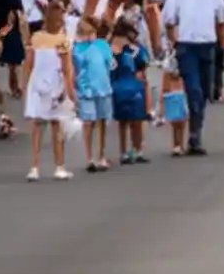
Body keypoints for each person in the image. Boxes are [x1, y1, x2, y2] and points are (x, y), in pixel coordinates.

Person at [161, 0, 224, 155]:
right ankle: (193, 136)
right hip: (187, 47)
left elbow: (221, 21)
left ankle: (196, 127)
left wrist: (221, 44)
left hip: (208, 46)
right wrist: (175, 41)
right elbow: (169, 20)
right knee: (194, 90)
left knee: (206, 91)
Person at [23, 2, 74, 181]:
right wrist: (70, 91)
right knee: (56, 126)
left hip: (37, 85)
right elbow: (67, 69)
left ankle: (34, 167)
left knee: (37, 127)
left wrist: (26, 86)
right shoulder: (62, 40)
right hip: (55, 85)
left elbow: (28, 65)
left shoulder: (35, 38)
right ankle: (59, 167)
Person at [72, 17, 114, 172]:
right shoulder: (77, 49)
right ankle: (90, 157)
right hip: (86, 90)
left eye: (91, 33)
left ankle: (101, 154)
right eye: (85, 33)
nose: (88, 36)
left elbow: (109, 64)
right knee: (88, 122)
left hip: (103, 88)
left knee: (102, 120)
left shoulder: (102, 45)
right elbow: (75, 70)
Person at [109, 19, 151, 164]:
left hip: (116, 88)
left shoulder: (110, 49)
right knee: (137, 120)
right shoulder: (136, 49)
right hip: (134, 87)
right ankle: (138, 149)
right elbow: (142, 69)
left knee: (123, 122)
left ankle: (124, 152)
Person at [157, 63, 189, 157]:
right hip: (174, 93)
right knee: (177, 122)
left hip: (178, 93)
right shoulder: (170, 65)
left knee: (180, 122)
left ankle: (179, 145)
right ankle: (177, 145)